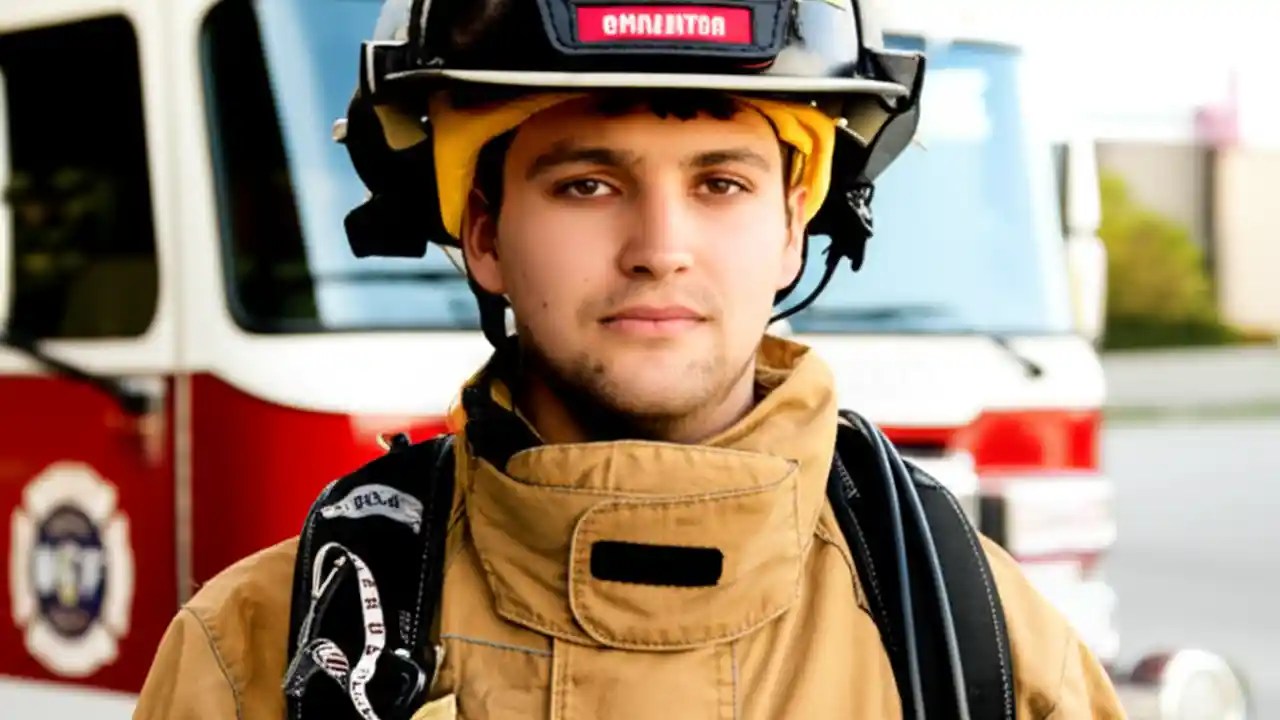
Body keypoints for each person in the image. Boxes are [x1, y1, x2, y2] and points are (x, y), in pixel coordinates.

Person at [134, 0, 1126, 717]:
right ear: (483, 233)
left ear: (791, 228)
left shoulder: (982, 638)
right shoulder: (261, 650)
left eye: (722, 183)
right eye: (585, 184)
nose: (660, 245)